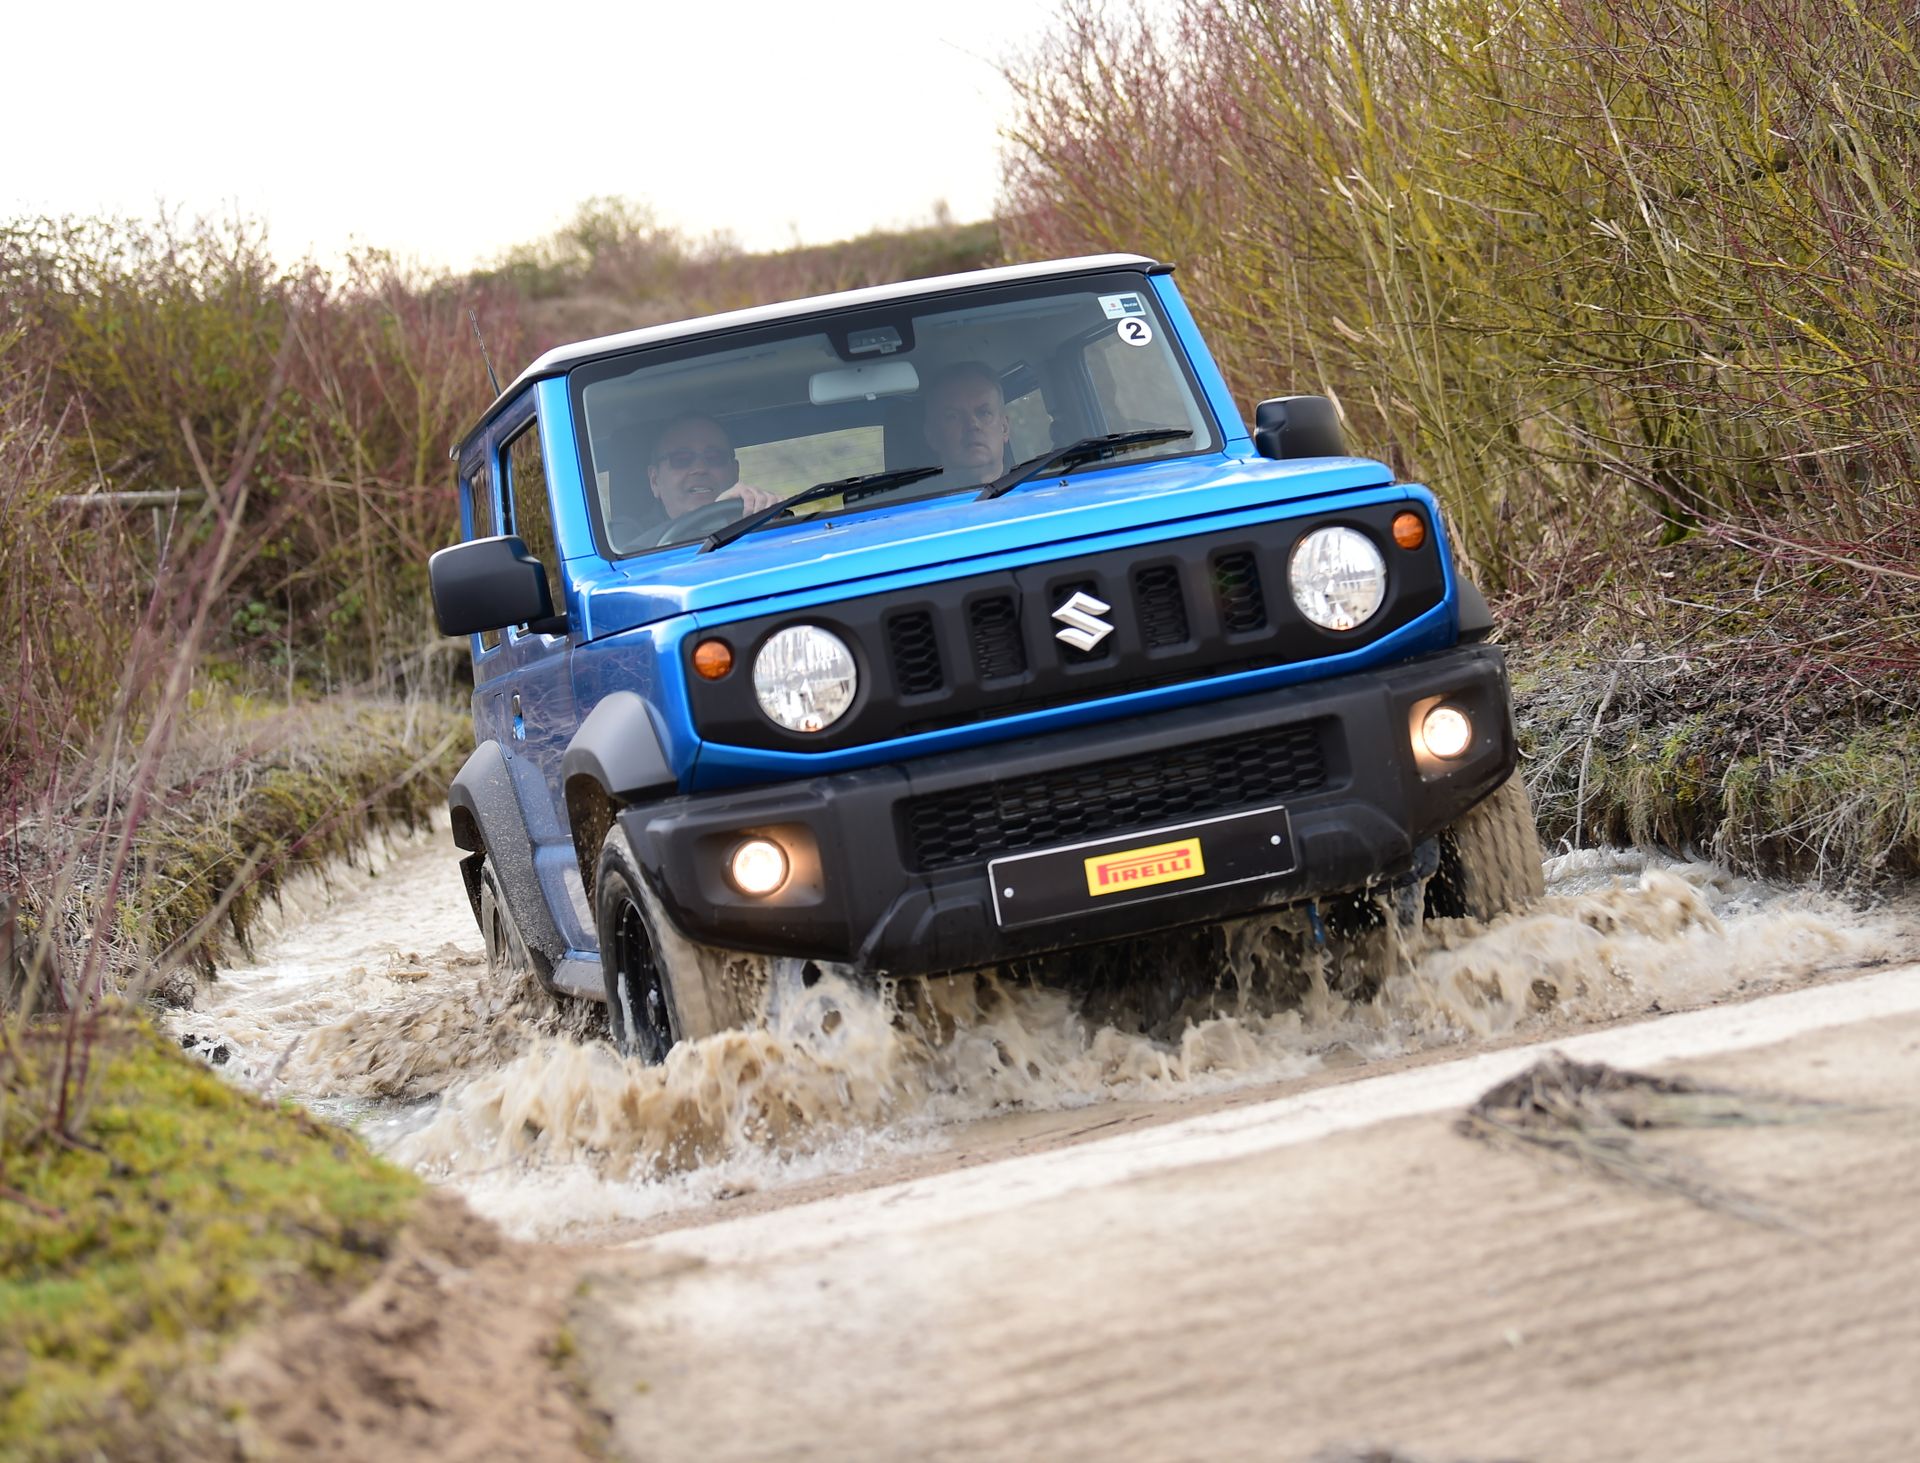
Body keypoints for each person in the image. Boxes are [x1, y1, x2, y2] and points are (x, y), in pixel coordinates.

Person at [646, 413, 780, 520]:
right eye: (682, 459)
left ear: (735, 472)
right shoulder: (635, 542)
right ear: (655, 480)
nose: (700, 469)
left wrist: (764, 515)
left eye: (714, 457)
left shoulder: (759, 520)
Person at [922, 362, 1011, 487]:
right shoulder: (912, 498)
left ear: (1005, 428)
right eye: (953, 416)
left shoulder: (1037, 487)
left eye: (984, 413)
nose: (973, 425)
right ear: (932, 437)